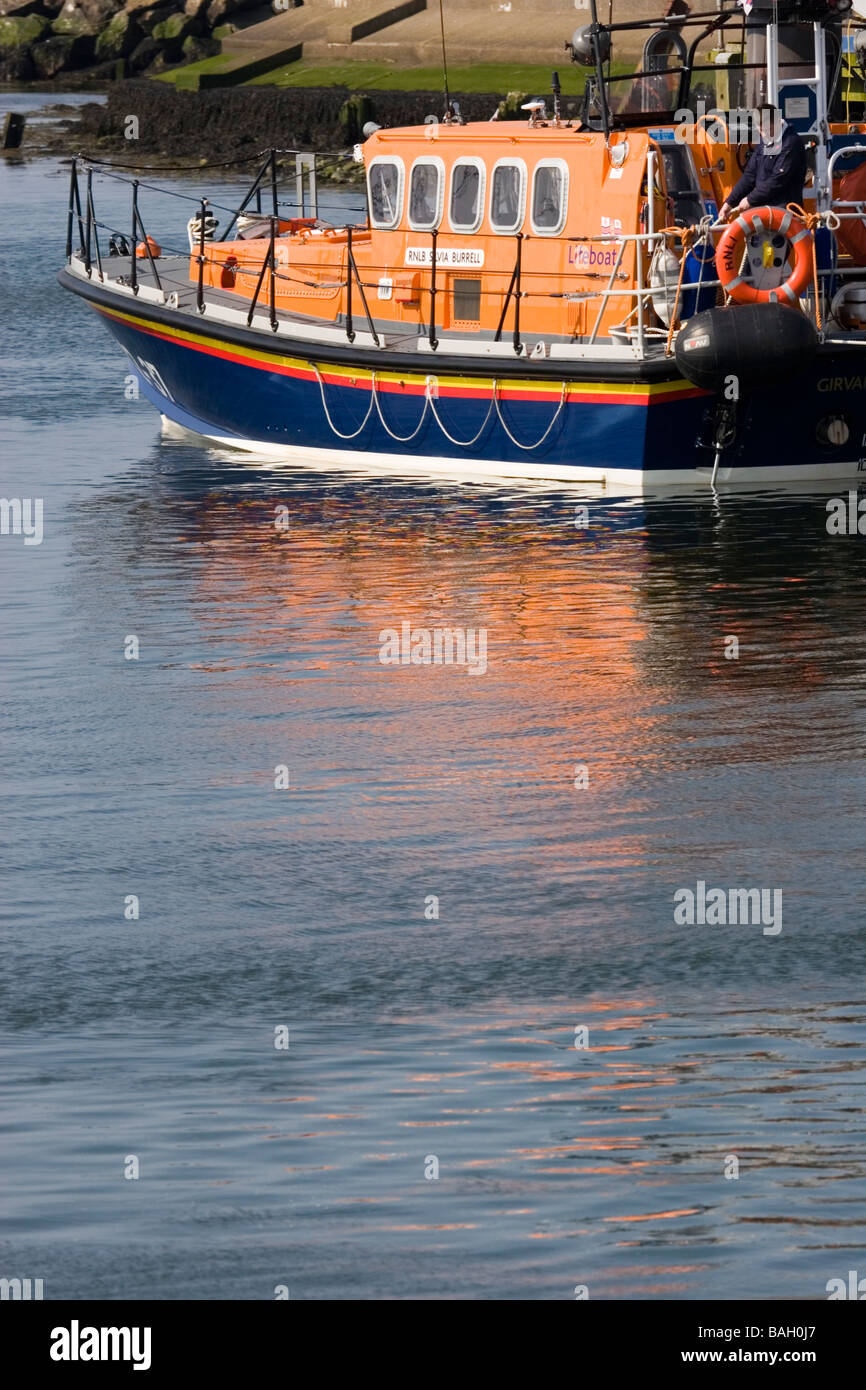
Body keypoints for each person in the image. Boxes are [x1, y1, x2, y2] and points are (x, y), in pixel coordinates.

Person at [718, 105, 807, 219]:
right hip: (764, 212)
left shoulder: (791, 144)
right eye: (761, 130)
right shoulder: (765, 141)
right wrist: (729, 202)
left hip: (784, 213)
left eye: (767, 130)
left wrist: (750, 199)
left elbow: (777, 180)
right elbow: (750, 175)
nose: (764, 134)